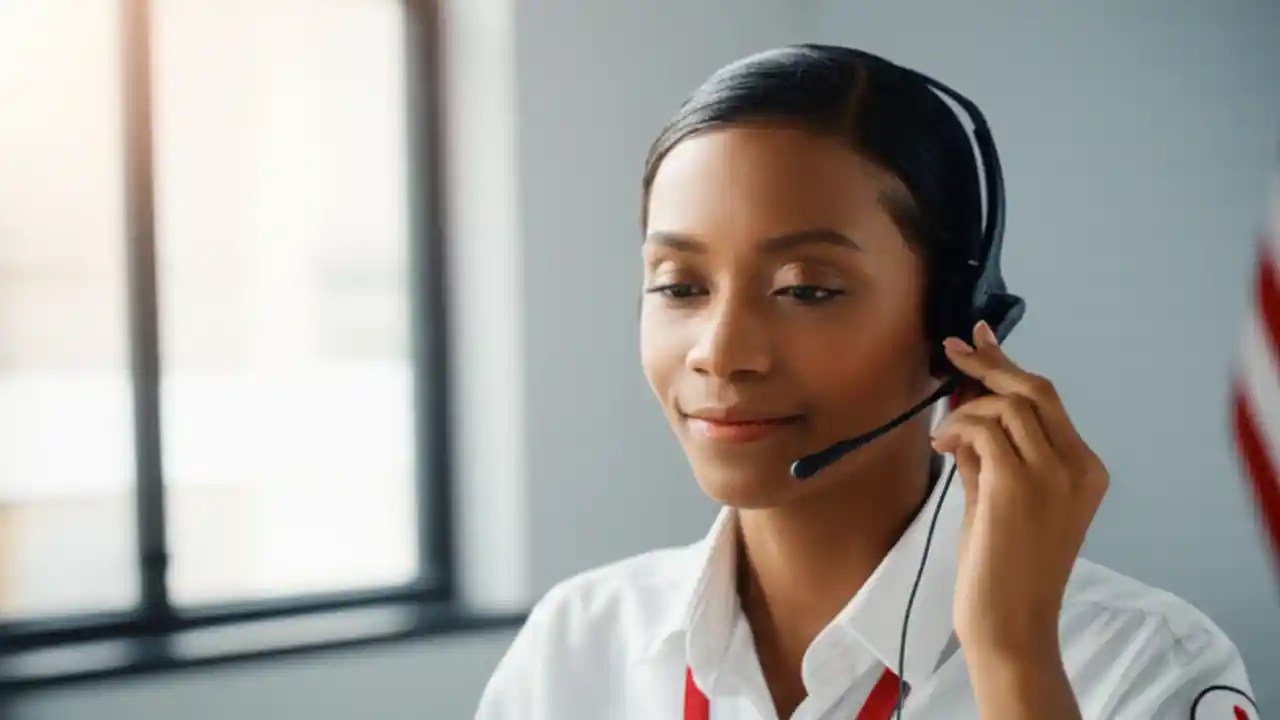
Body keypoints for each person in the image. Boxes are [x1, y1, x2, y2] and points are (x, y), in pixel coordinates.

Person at [474, 44, 1257, 719]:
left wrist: (1013, 655)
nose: (721, 353)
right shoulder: (575, 645)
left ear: (953, 318)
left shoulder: (1146, 661)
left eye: (806, 289)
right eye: (680, 286)